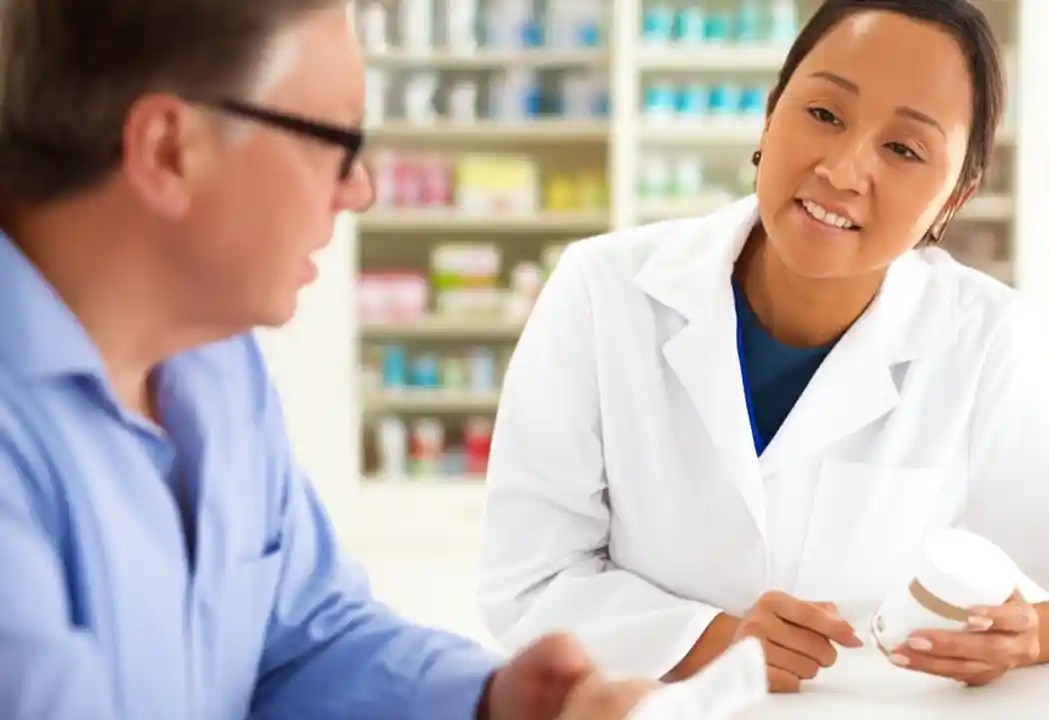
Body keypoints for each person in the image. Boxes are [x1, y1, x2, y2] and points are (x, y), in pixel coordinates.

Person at [479, 0, 1049, 694]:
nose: (843, 170)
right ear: (771, 115)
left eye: (903, 148)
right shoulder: (604, 292)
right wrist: (720, 642)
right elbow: (529, 583)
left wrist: (1028, 637)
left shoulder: (979, 341)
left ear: (954, 198)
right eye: (824, 113)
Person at [0, 1, 654, 718]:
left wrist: (488, 702)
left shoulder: (216, 369)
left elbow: (298, 643)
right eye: (337, 141)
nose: (360, 189)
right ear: (167, 150)